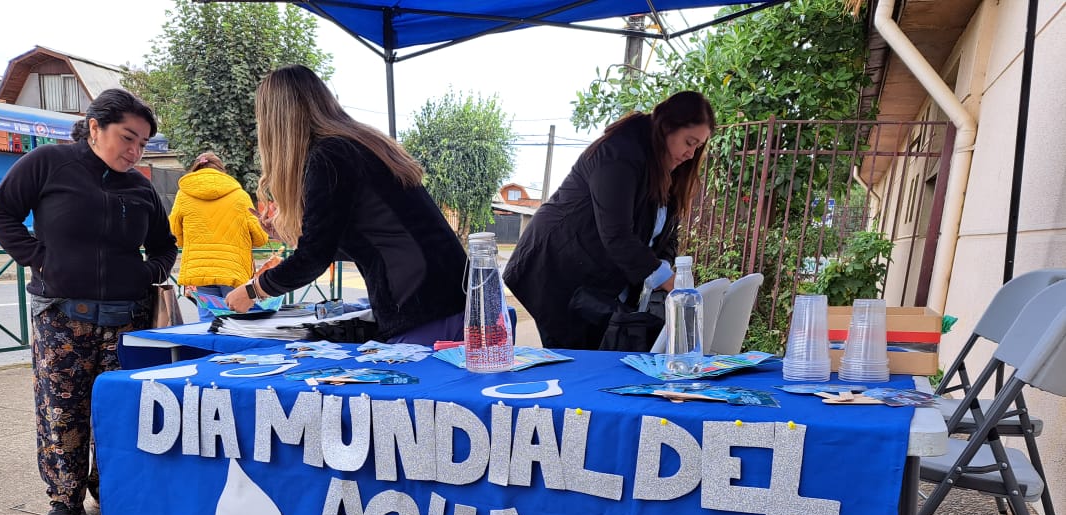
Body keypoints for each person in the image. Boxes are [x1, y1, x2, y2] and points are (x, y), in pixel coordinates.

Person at [0, 88, 177, 515]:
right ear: (94, 127)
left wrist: (148, 272)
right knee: (61, 409)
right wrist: (38, 257)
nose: (135, 150)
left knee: (116, 409)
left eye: (143, 143)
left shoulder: (141, 187)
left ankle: (110, 490)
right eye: (128, 138)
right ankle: (63, 497)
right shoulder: (49, 164)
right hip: (61, 315)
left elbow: (166, 246)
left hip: (127, 317)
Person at [223, 65, 467, 344]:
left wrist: (254, 290)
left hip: (424, 307)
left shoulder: (330, 155)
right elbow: (370, 241)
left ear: (276, 121)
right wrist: (293, 235)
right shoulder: (359, 143)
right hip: (446, 298)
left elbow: (314, 257)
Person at [502, 91, 715, 350]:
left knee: (595, 363)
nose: (691, 154)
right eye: (689, 142)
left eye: (698, 147)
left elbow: (667, 235)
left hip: (596, 281)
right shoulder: (618, 154)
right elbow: (617, 235)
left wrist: (665, 268)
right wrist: (667, 280)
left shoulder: (666, 169)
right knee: (576, 365)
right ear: (667, 127)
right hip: (556, 271)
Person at [169, 152, 270, 321]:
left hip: (200, 269)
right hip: (234, 271)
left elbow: (175, 236)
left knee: (208, 324)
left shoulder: (183, 196)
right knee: (239, 324)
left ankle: (210, 348)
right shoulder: (240, 196)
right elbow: (260, 239)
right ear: (222, 170)